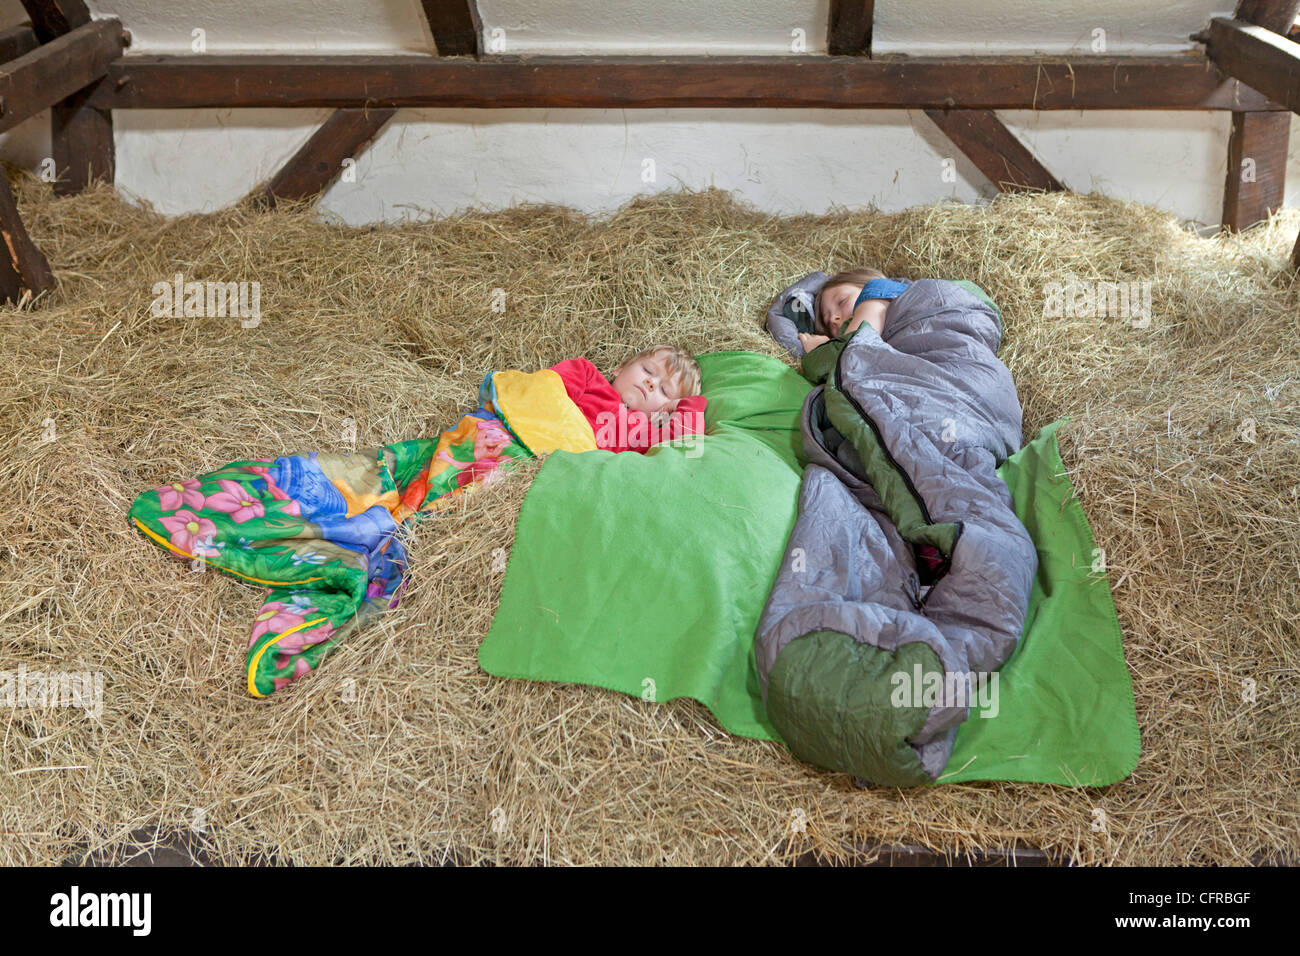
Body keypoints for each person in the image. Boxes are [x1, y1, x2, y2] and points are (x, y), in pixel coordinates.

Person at [550, 345, 707, 454]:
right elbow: (547, 388)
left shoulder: (642, 434)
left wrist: (682, 405)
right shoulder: (587, 376)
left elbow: (687, 442)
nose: (651, 383)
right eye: (648, 370)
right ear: (621, 367)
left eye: (665, 390)